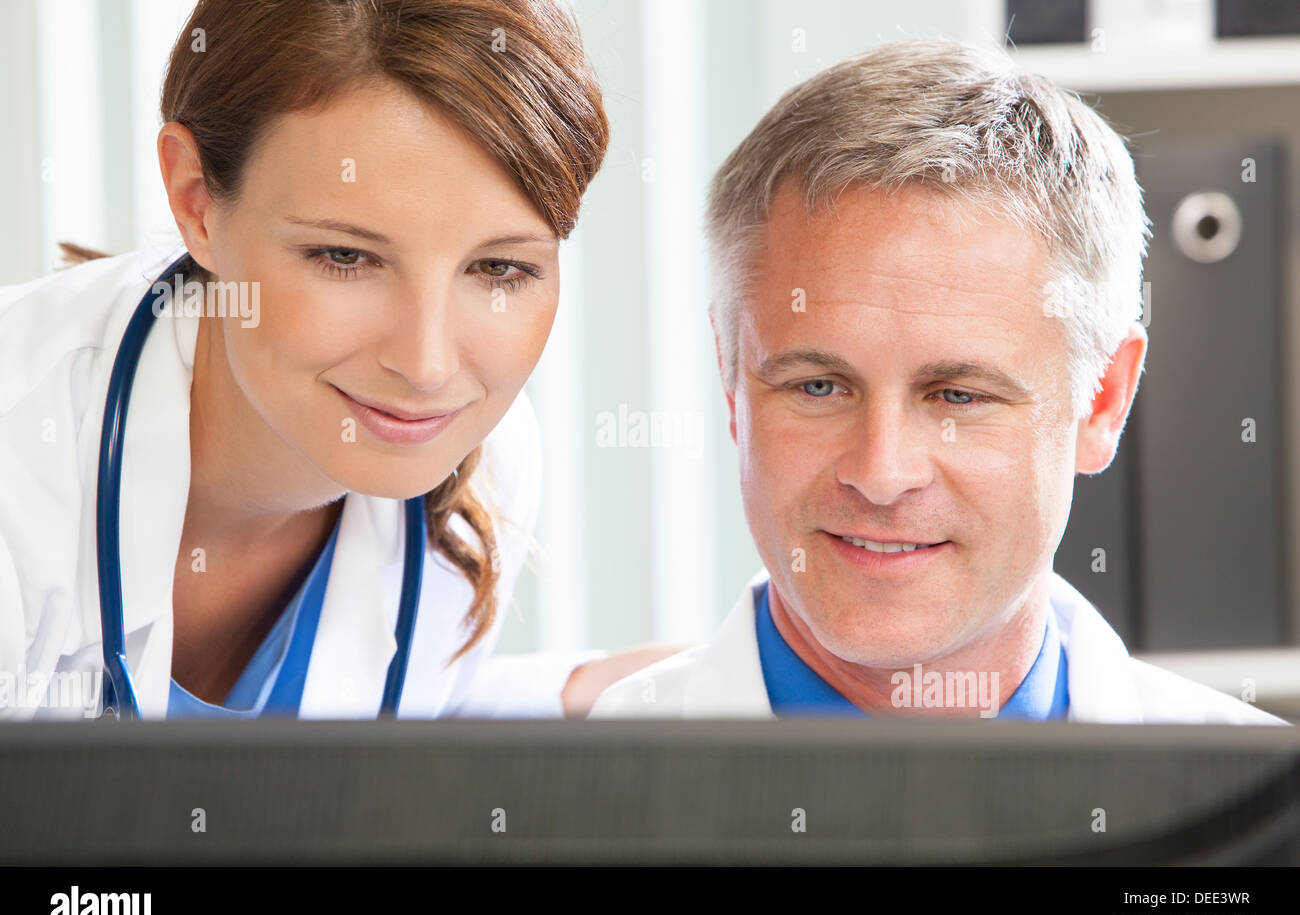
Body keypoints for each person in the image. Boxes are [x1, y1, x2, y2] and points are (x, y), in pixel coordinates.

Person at [0, 0, 673, 720]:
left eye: (500, 269)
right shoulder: (25, 447)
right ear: (197, 203)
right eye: (346, 257)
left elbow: (401, 730)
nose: (428, 366)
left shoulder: (488, 467)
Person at [590, 39, 1286, 724]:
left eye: (958, 395)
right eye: (819, 387)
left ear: (1102, 400)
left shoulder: (1268, 813)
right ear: (730, 376)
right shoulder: (571, 807)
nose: (881, 475)